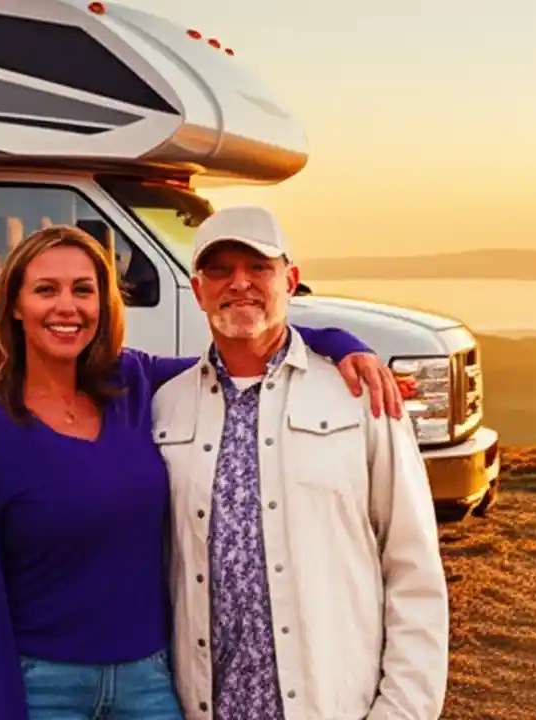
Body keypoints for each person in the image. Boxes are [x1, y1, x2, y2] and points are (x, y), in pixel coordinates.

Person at [0, 224, 402, 719]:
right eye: (46, 289)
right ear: (15, 306)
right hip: (43, 688)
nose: (67, 307)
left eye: (84, 290)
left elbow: (244, 347)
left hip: (148, 684)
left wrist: (341, 342)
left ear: (104, 305)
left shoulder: (131, 385)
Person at [151, 206, 451, 720]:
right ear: (198, 290)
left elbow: (413, 569)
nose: (239, 283)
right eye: (220, 270)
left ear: (290, 280)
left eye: (259, 268)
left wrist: (402, 711)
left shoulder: (360, 398)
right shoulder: (165, 407)